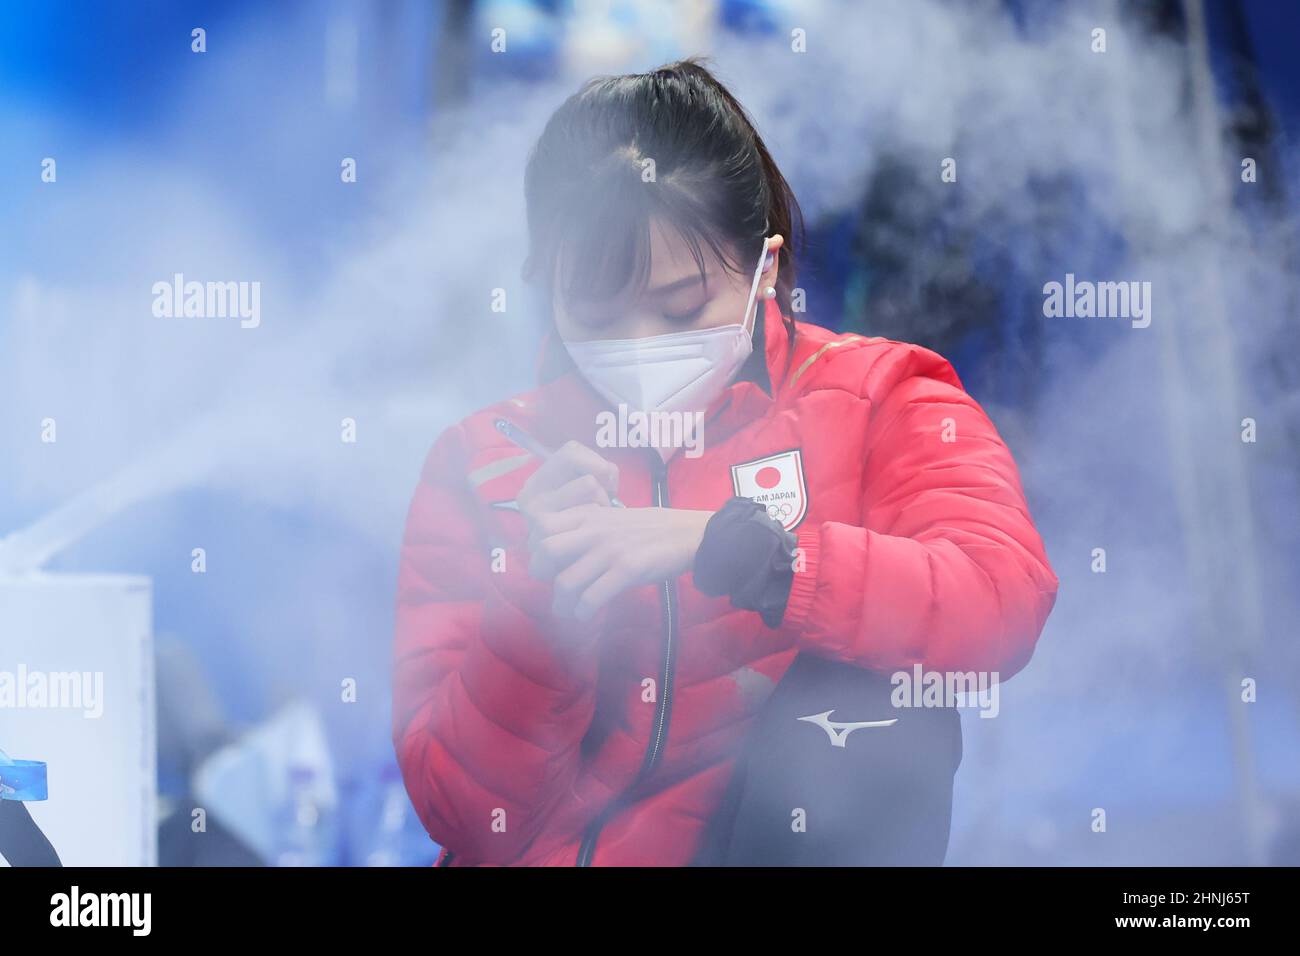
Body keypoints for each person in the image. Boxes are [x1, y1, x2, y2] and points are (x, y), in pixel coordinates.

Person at [392, 59, 1058, 866]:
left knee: (875, 694)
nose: (641, 346)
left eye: (681, 308)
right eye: (598, 313)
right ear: (548, 287)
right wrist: (537, 610)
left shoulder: (880, 397)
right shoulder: (487, 462)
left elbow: (1000, 601)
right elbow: (457, 811)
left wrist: (754, 557)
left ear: (763, 269)